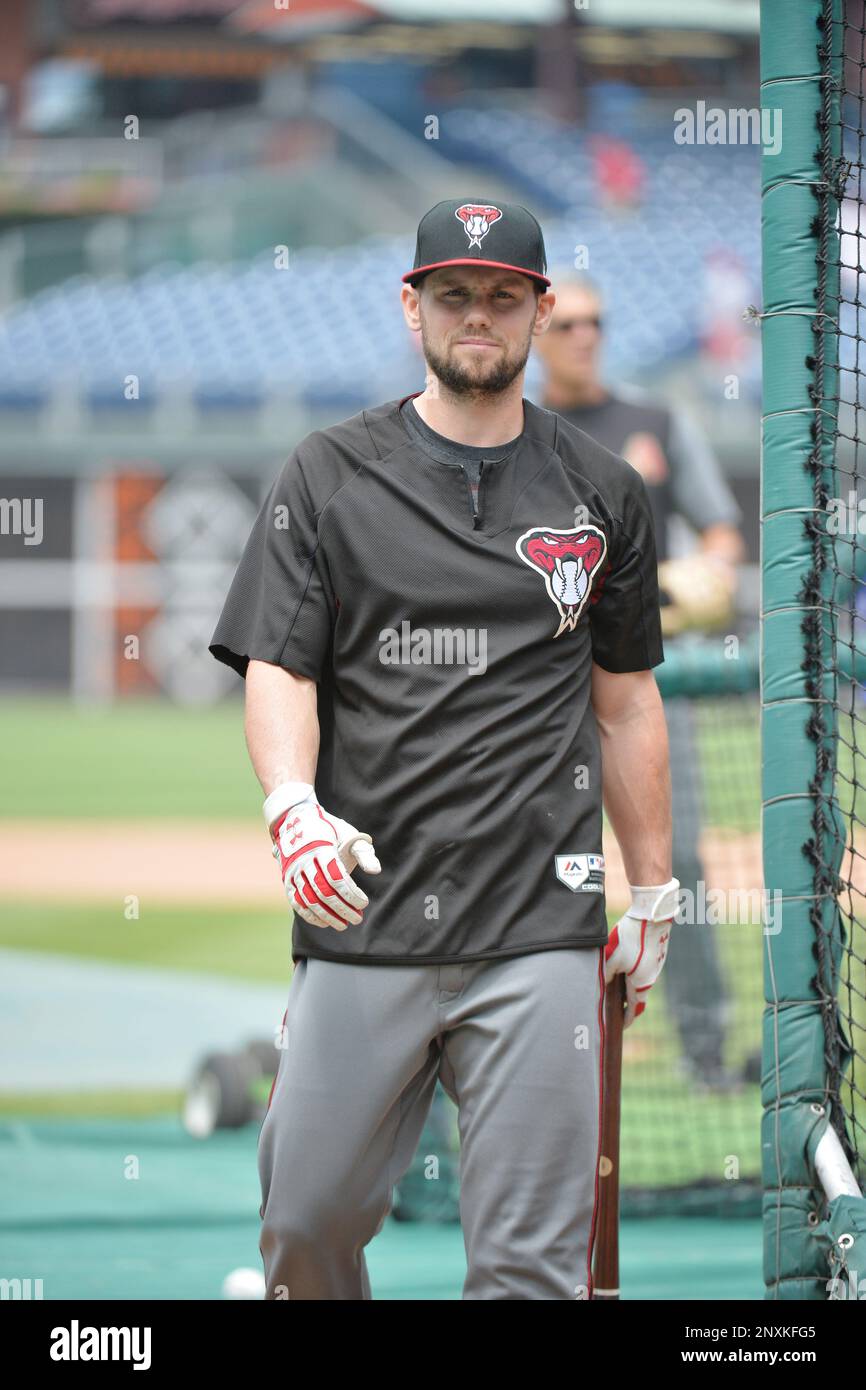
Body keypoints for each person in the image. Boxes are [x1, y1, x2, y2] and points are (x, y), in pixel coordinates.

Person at [210, 199, 678, 1300]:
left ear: (540, 311)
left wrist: (652, 886)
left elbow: (624, 703)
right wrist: (290, 804)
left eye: (504, 296)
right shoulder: (326, 472)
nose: (479, 316)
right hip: (363, 909)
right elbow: (282, 666)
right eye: (454, 294)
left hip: (536, 926)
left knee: (527, 1268)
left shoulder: (602, 489)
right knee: (305, 1224)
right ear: (410, 305)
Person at [534, 272, 747, 1091]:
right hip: (540, 683)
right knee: (549, 852)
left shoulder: (656, 422)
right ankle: (546, 1040)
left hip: (643, 679)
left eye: (599, 322)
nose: (587, 336)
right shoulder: (517, 428)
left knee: (676, 853)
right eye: (572, 323)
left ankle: (702, 1049)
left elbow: (721, 533)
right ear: (542, 327)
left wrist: (707, 574)